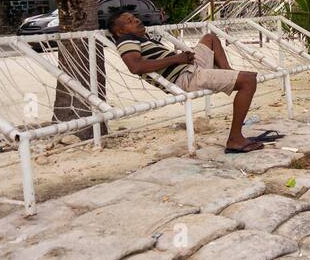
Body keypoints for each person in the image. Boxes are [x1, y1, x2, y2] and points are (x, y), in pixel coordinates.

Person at [106, 9, 265, 153]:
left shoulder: (141, 38)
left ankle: (228, 73)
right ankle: (235, 139)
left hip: (190, 67)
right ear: (120, 31)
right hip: (185, 78)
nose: (136, 20)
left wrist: (182, 58)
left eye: (134, 17)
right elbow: (136, 66)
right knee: (249, 80)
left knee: (210, 38)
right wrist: (177, 58)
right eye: (129, 21)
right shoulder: (126, 41)